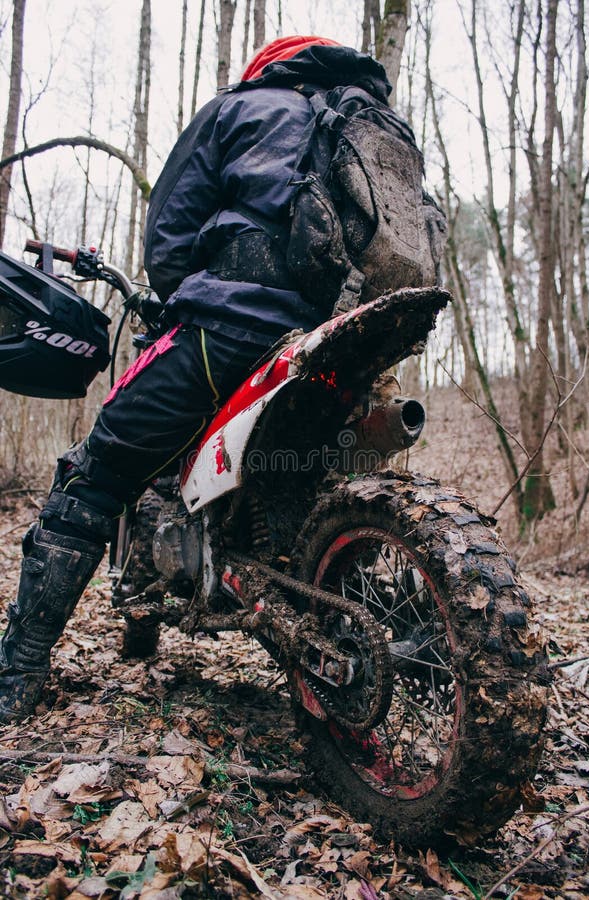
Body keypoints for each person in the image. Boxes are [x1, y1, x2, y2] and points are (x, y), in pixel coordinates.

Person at [0, 36, 401, 723]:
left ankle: (18, 676)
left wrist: (185, 293)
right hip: (344, 344)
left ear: (267, 66)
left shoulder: (240, 108)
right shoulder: (371, 129)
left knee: (91, 476)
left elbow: (169, 238)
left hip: (232, 329)